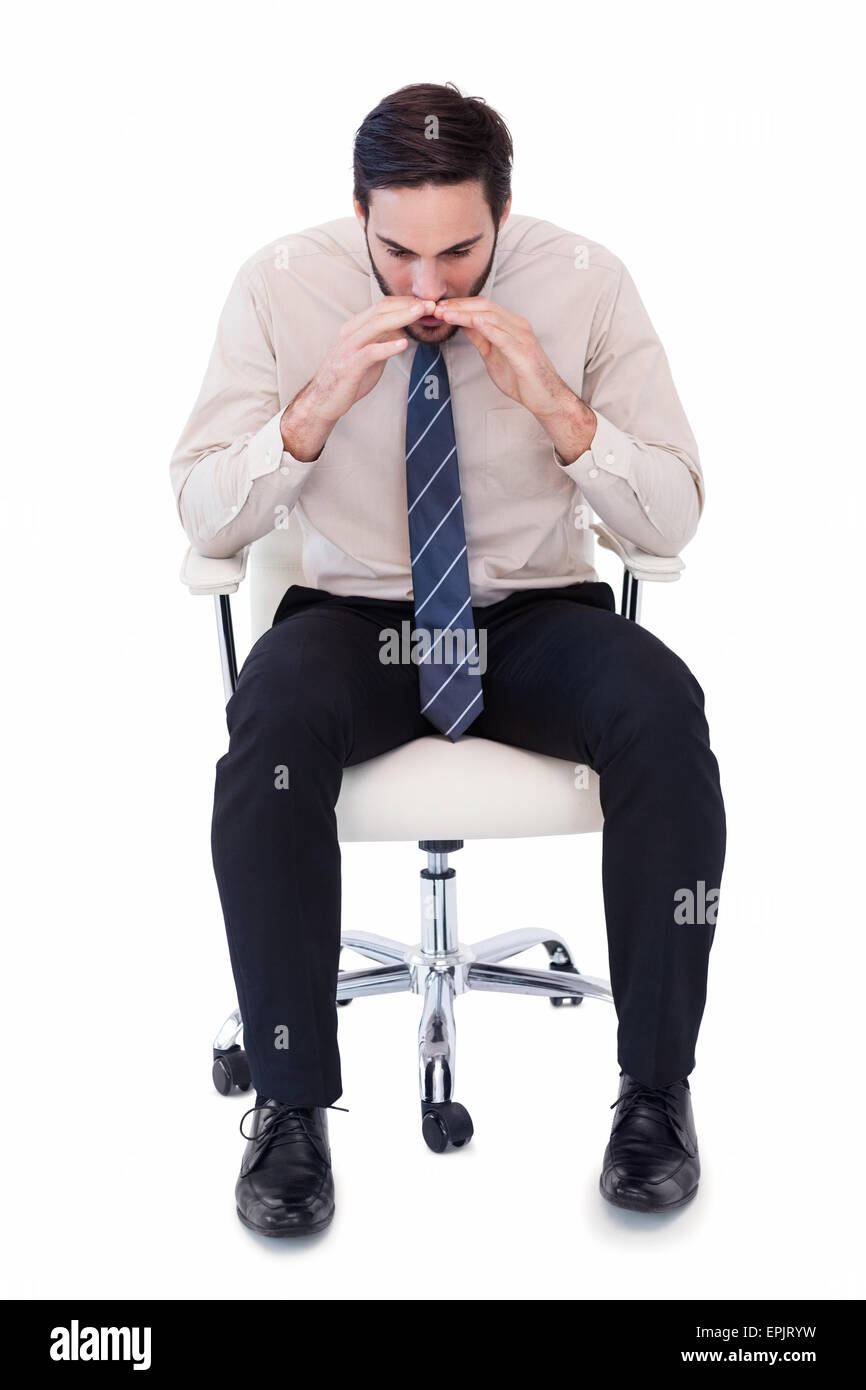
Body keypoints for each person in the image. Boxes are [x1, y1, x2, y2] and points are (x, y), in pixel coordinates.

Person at [169, 81, 726, 1237]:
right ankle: (286, 1103)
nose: (427, 287)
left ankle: (656, 1093)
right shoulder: (279, 284)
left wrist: (552, 403)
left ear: (504, 214)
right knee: (269, 719)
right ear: (356, 211)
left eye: (461, 253)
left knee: (662, 707)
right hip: (352, 616)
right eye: (395, 252)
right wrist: (317, 403)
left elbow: (668, 516)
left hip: (530, 616)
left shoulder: (584, 282)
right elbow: (204, 515)